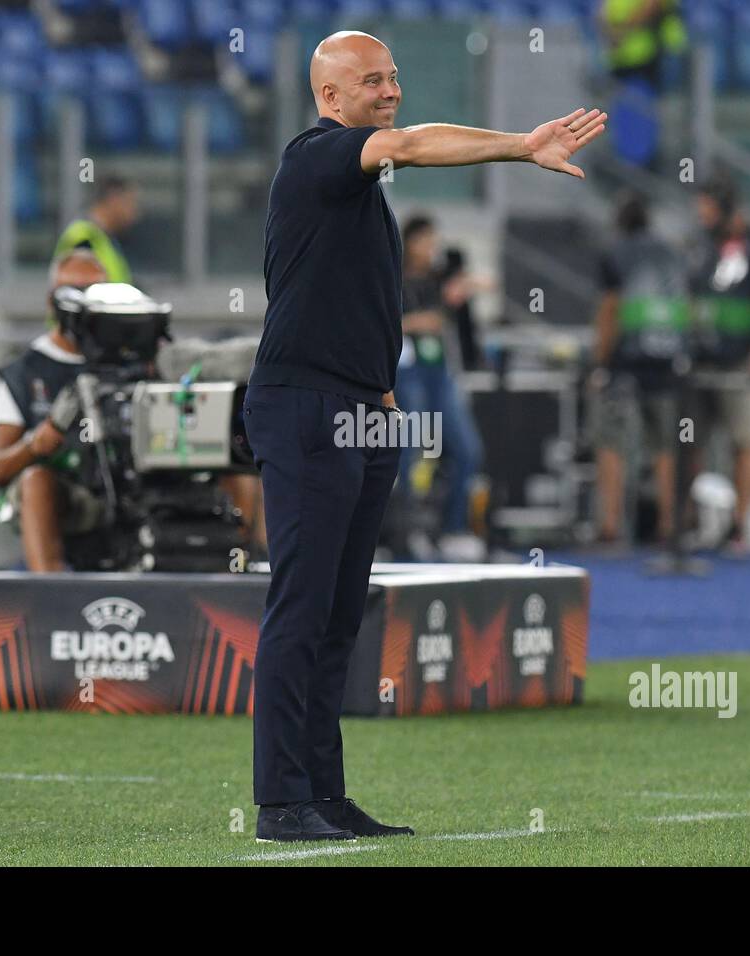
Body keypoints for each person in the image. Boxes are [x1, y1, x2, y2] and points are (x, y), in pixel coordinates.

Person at [243, 29, 607, 842]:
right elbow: (407, 143)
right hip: (306, 405)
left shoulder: (359, 186)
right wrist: (522, 145)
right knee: (300, 608)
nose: (391, 92)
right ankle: (279, 801)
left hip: (363, 409)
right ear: (330, 98)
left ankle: (323, 795)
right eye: (372, 81)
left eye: (395, 78)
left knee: (338, 614)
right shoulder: (315, 156)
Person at [0, 251, 108, 571]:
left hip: (129, 485)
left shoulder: (131, 358)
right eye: (71, 294)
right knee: (35, 479)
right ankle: (50, 591)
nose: (81, 306)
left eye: (92, 293)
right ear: (51, 302)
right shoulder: (24, 372)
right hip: (65, 494)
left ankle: (242, 572)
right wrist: (35, 445)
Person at [688, 174, 750, 554]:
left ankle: (739, 526)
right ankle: (690, 522)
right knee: (690, 441)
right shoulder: (701, 244)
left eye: (709, 209)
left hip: (741, 359)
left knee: (744, 442)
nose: (703, 216)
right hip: (701, 358)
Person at [590, 191, 687, 547]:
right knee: (664, 446)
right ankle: (667, 524)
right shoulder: (672, 252)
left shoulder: (615, 252)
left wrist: (600, 360)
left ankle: (611, 525)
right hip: (666, 359)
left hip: (625, 362)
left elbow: (610, 309)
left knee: (611, 444)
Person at [394, 214, 486, 562]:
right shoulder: (393, 278)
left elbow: (465, 305)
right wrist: (413, 323)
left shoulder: (440, 282)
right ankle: (408, 531)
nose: (431, 248)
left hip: (440, 373)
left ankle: (454, 528)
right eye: (424, 241)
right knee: (411, 451)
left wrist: (459, 299)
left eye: (434, 241)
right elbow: (379, 321)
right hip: (408, 372)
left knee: (467, 449)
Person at [53, 175, 139, 285]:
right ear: (114, 199)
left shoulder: (104, 239)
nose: (135, 212)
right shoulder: (85, 238)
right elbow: (79, 292)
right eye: (131, 202)